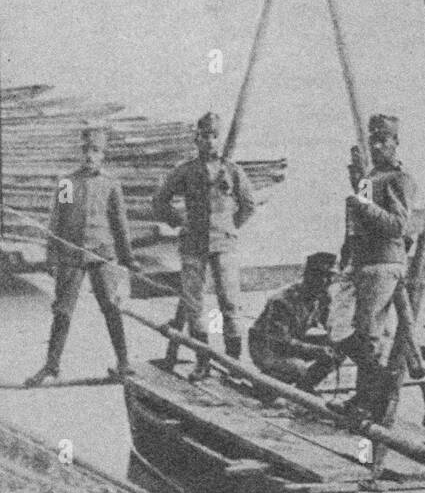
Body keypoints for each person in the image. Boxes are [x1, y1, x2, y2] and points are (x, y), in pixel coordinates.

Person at [25, 124, 136, 386]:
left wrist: (128, 259)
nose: (89, 156)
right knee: (62, 311)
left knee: (111, 307)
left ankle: (124, 362)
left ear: (103, 155)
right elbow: (56, 220)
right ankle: (51, 366)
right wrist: (51, 255)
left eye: (95, 150)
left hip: (102, 255)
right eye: (86, 150)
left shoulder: (111, 185)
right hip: (70, 256)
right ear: (80, 152)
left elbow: (120, 225)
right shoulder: (66, 183)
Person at [152, 111, 256, 380]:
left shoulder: (232, 171)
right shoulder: (185, 171)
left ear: (219, 140)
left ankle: (234, 364)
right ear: (196, 139)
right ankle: (202, 362)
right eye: (204, 137)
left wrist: (230, 227)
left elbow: (248, 205)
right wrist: (179, 221)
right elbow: (160, 201)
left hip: (224, 245)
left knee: (230, 303)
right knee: (194, 305)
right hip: (193, 245)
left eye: (214, 137)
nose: (210, 142)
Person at [335, 113, 417, 420]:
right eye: (374, 140)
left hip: (383, 262)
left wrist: (364, 204)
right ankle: (368, 397)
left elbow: (398, 225)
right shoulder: (371, 177)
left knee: (368, 333)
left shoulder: (399, 178)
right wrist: (359, 185)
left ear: (396, 143)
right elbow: (359, 223)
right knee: (352, 329)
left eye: (385, 140)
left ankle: (370, 402)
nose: (379, 145)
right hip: (363, 262)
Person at [248, 252, 342, 391]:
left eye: (330, 277)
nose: (326, 281)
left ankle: (305, 387)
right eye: (321, 275)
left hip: (292, 340)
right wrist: (317, 350)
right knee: (297, 367)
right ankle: (266, 385)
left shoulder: (323, 296)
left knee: (340, 348)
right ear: (308, 275)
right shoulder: (282, 300)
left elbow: (330, 325)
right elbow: (279, 342)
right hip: (265, 346)